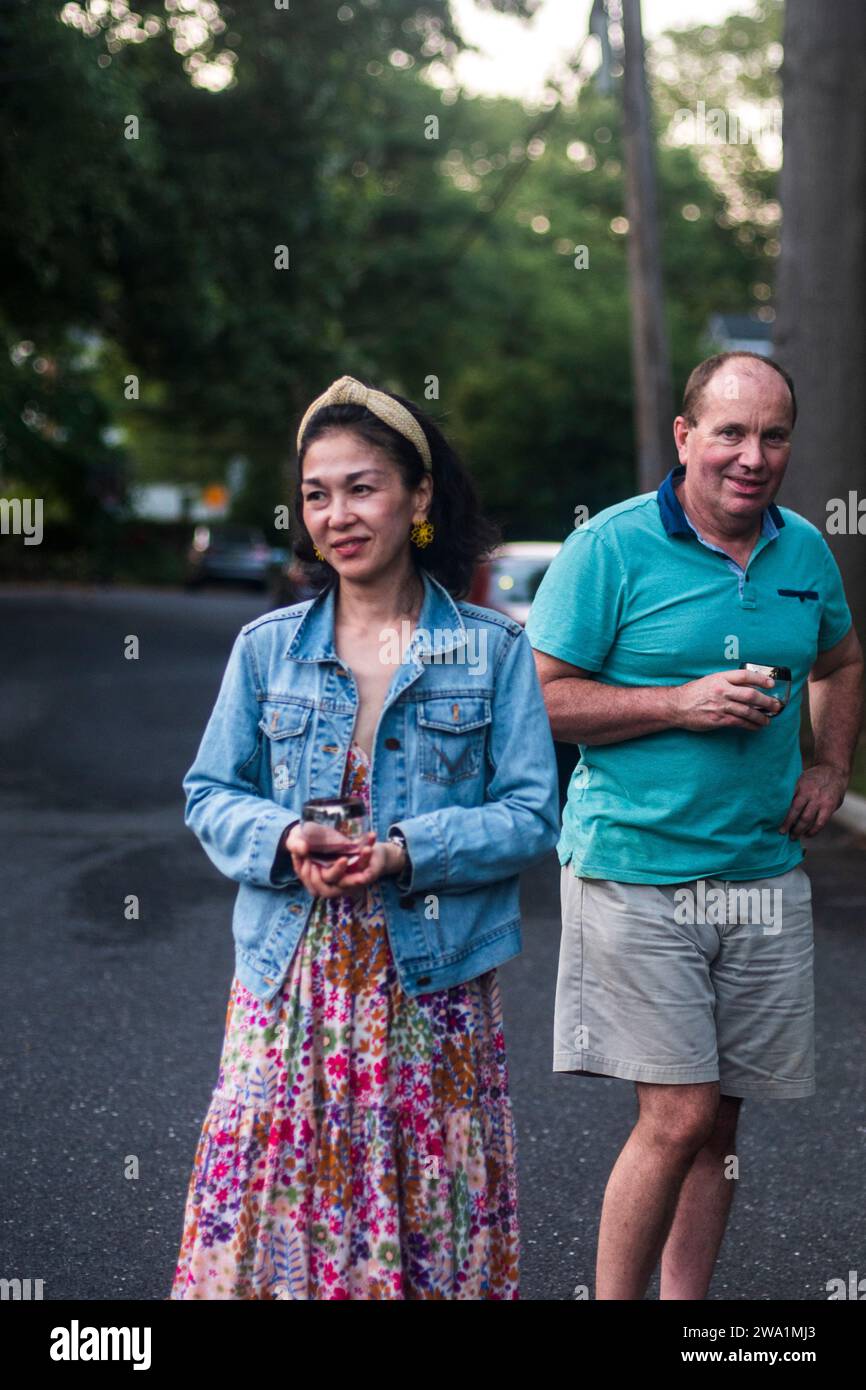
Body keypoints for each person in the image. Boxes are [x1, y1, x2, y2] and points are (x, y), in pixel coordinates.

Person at [170, 375, 560, 1300]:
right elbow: (208, 792)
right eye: (316, 494)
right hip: (291, 983)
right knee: (280, 1226)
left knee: (427, 1224)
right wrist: (283, 835)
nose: (336, 514)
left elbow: (530, 815)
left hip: (433, 988)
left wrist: (404, 852)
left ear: (418, 498)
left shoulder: (493, 652)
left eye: (362, 487)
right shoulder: (266, 649)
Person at [525, 351, 864, 1300]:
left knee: (718, 1126)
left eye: (773, 436)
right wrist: (679, 705)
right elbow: (539, 702)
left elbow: (842, 661)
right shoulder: (611, 548)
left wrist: (830, 762)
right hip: (635, 869)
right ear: (686, 438)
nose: (751, 456)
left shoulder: (804, 551)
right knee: (676, 1117)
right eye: (730, 432)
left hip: (761, 873)